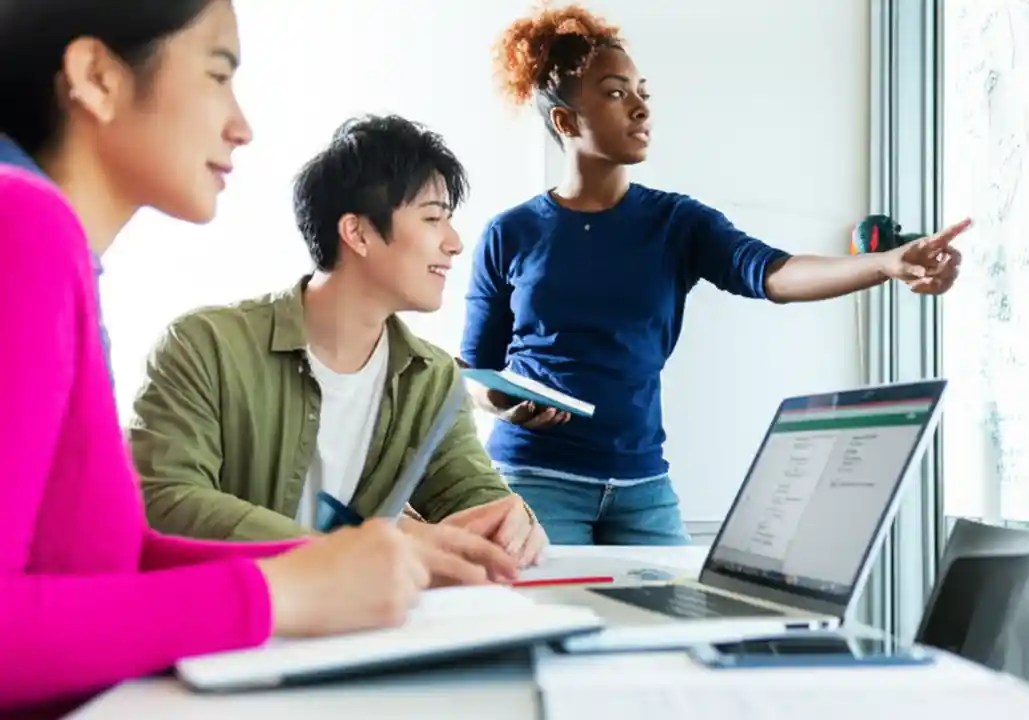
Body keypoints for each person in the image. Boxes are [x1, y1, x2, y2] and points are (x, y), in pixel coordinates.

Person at [0, 2, 514, 715]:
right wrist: (286, 591)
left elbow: (110, 561)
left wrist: (338, 566)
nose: (242, 125)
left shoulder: (52, 251)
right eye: (218, 74)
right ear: (96, 76)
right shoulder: (23, 227)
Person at [461, 4, 969, 546]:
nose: (640, 108)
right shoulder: (509, 233)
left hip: (643, 487)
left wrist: (884, 265)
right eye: (615, 93)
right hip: (537, 479)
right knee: (551, 629)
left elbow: (773, 273)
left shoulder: (677, 222)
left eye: (643, 93)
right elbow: (476, 372)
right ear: (566, 121)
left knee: (670, 627)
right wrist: (505, 404)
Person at [129, 114, 548, 567]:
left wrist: (513, 522)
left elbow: (472, 496)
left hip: (363, 629)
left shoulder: (431, 379)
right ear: (358, 233)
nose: (454, 243)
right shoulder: (204, 346)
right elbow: (164, 500)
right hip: (233, 619)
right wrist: (342, 554)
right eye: (433, 219)